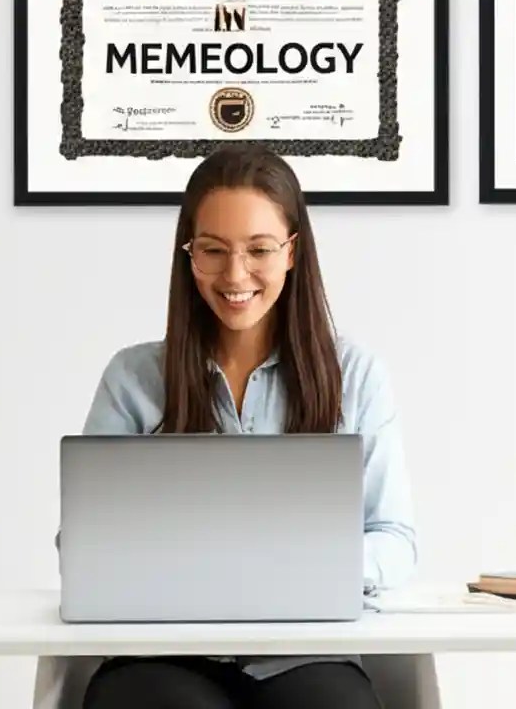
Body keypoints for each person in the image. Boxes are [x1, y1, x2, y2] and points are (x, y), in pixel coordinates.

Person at [77, 144, 418, 709]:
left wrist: (296, 570)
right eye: (213, 250)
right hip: (162, 655)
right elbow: (84, 547)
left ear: (292, 253)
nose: (235, 276)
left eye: (259, 249)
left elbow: (394, 537)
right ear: (189, 255)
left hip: (308, 652)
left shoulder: (355, 375)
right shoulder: (133, 377)